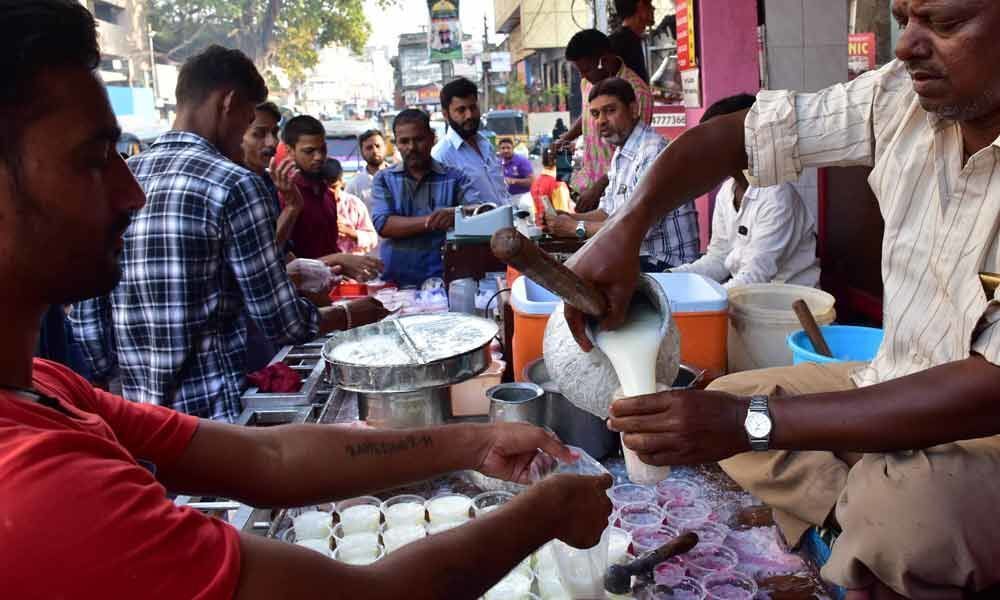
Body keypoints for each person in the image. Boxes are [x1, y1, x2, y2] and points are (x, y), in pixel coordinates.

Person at [0, 5, 614, 598]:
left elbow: (267, 457)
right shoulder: (40, 488)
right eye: (92, 159)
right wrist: (543, 514)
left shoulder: (52, 389)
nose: (132, 194)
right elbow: (370, 595)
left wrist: (475, 443)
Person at [565, 0, 1000, 596]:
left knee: (906, 517)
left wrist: (752, 425)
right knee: (715, 401)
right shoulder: (898, 97)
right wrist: (626, 227)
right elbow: (737, 135)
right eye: (904, 18)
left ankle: (870, 522)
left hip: (985, 430)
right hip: (888, 376)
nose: (905, 45)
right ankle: (854, 516)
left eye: (944, 23)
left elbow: (989, 389)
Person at [71, 45, 387, 423]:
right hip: (215, 424)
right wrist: (349, 314)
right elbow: (281, 320)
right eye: (248, 120)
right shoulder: (234, 184)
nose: (245, 136)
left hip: (142, 423)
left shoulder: (121, 179)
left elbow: (90, 331)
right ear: (229, 102)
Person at [545, 78, 698, 272]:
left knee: (576, 275)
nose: (601, 121)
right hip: (637, 258)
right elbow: (607, 213)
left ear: (633, 110)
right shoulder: (622, 151)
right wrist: (570, 217)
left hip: (666, 266)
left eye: (610, 110)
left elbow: (636, 229)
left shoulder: (653, 151)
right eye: (595, 114)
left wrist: (575, 228)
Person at [672, 94, 819, 288]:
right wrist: (670, 278)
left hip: (788, 302)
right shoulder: (727, 192)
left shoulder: (776, 195)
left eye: (713, 140)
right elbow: (718, 259)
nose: (706, 151)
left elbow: (755, 276)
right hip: (748, 295)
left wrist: (708, 299)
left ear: (746, 138)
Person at [371, 109, 481, 286]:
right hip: (397, 282)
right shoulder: (384, 179)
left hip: (445, 280)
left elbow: (480, 211)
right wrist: (434, 220)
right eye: (404, 141)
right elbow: (383, 225)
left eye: (418, 139)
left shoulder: (455, 177)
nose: (412, 147)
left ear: (432, 138)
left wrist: (456, 213)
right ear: (396, 143)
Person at [555, 29, 652, 213]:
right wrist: (566, 138)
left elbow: (635, 151)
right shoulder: (588, 83)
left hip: (619, 191)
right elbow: (587, 115)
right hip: (588, 184)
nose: (583, 77)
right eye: (579, 71)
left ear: (604, 60)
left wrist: (598, 188)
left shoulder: (637, 93)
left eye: (586, 70)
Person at [279, 115, 383, 281]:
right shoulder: (285, 196)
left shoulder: (328, 195)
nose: (319, 157)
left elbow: (330, 249)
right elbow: (284, 265)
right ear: (290, 151)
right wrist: (339, 259)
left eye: (322, 149)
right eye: (309, 151)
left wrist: (347, 269)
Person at [432, 77, 509, 206]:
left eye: (473, 108)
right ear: (445, 114)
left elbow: (502, 193)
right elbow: (443, 209)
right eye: (461, 110)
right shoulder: (441, 156)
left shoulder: (485, 144)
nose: (469, 115)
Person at [241, 101, 302, 253]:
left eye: (274, 133)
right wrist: (292, 207)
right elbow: (262, 254)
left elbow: (283, 251)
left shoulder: (269, 181)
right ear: (237, 135)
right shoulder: (237, 185)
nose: (272, 142)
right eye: (259, 134)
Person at [322, 158, 377, 256]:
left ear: (342, 182)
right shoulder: (312, 206)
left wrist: (349, 232)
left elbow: (372, 238)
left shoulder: (354, 204)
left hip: (353, 262)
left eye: (334, 187)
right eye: (325, 189)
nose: (330, 193)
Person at [609, 0, 656, 83]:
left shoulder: (629, 39)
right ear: (640, 6)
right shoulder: (622, 42)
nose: (653, 8)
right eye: (649, 4)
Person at [345, 128, 388, 212]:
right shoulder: (354, 186)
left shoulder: (400, 178)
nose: (374, 151)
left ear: (385, 147)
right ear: (362, 152)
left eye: (378, 146)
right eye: (369, 148)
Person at [529, 148, 573, 226]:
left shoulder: (536, 182)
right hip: (558, 228)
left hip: (541, 226)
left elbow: (536, 211)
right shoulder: (558, 184)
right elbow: (563, 214)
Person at [498, 137, 534, 210]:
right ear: (499, 150)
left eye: (508, 148)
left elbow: (532, 181)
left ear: (513, 148)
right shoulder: (497, 162)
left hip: (523, 195)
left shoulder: (522, 161)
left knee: (525, 205)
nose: (505, 150)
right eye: (503, 148)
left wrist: (514, 181)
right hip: (506, 197)